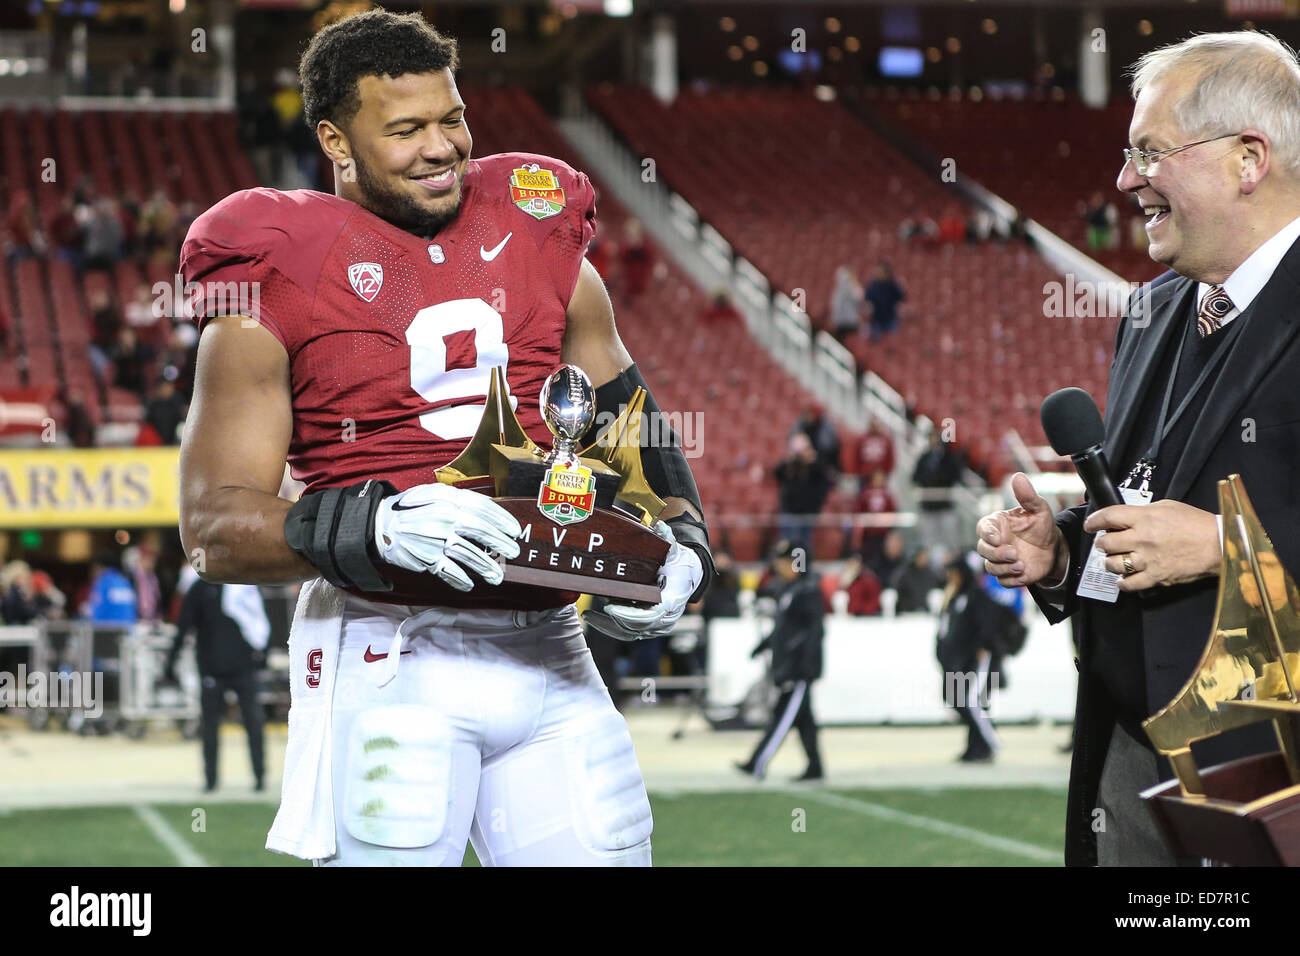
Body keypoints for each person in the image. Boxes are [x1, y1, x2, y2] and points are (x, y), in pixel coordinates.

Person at [177, 10, 713, 867]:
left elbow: (627, 420)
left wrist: (682, 544)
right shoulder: (278, 272)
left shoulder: (539, 232)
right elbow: (211, 528)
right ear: (336, 141)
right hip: (390, 651)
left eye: (452, 118)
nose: (441, 147)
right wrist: (377, 527)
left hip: (554, 650)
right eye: (405, 129)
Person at [977, 31, 1300, 866]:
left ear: (1248, 159)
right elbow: (1141, 507)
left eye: (1150, 153)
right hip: (1126, 750)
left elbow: (1204, 537)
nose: (1125, 181)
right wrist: (1061, 553)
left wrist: (1232, 550)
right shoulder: (1152, 310)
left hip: (1271, 759)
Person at [165, 573, 270, 793]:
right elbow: (184, 625)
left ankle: (260, 777)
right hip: (212, 668)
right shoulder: (201, 587)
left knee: (253, 723)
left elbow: (260, 621)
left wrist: (263, 657)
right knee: (210, 726)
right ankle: (211, 779)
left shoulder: (246, 586)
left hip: (244, 667)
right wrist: (171, 662)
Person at [734, 541, 824, 782]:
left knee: (782, 718)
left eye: (784, 561)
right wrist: (763, 645)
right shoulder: (790, 590)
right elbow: (784, 629)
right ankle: (815, 767)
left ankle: (757, 762)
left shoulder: (808, 591)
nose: (779, 566)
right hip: (791, 667)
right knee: (805, 722)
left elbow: (815, 632)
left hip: (798, 670)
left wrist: (804, 665)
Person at [935, 554, 1004, 763]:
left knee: (971, 701)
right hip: (956, 661)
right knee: (957, 700)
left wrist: (983, 647)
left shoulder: (975, 596)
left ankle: (988, 742)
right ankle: (974, 745)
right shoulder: (954, 597)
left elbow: (987, 624)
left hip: (974, 660)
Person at [912, 430, 964, 567]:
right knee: (929, 541)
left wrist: (937, 478)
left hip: (945, 504)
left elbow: (956, 475)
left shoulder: (948, 458)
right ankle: (929, 566)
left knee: (951, 539)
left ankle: (955, 564)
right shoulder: (924, 457)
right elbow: (915, 477)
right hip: (928, 505)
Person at [863, 261, 905, 341]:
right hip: (876, 320)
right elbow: (867, 302)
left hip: (891, 319)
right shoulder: (872, 286)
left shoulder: (893, 286)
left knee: (893, 341)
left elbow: (901, 299)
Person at [828, 265, 862, 343]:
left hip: (850, 322)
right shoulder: (839, 291)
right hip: (840, 322)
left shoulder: (853, 289)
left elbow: (859, 299)